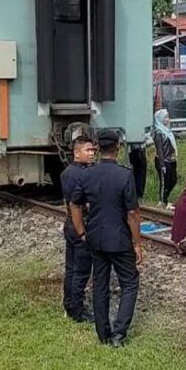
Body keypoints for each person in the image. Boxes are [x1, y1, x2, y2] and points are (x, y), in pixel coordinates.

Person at [70, 130, 144, 348]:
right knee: (129, 283)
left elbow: (74, 204)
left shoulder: (87, 174)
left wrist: (81, 231)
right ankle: (119, 333)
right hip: (120, 239)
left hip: (95, 238)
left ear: (97, 148)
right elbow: (132, 213)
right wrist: (137, 243)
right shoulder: (124, 175)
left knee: (100, 284)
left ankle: (103, 333)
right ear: (118, 148)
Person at [60, 135, 97, 323]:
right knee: (81, 270)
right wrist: (83, 232)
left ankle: (69, 303)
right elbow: (80, 204)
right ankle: (77, 309)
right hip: (81, 225)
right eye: (87, 150)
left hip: (69, 225)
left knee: (71, 267)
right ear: (76, 153)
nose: (91, 154)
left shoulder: (67, 172)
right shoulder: (81, 175)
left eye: (93, 150)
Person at [152, 108, 178, 209]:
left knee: (173, 180)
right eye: (166, 117)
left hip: (171, 160)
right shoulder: (159, 133)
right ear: (160, 119)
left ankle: (165, 199)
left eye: (168, 117)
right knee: (164, 182)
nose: (168, 119)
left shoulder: (168, 131)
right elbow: (160, 150)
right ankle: (162, 202)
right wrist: (162, 164)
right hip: (163, 161)